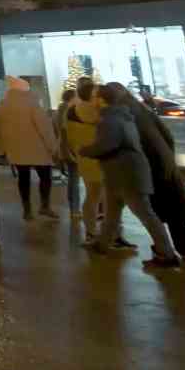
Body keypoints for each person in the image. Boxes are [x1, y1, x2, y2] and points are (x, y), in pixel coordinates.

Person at [83, 83, 180, 271]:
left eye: (96, 97)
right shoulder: (122, 115)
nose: (93, 100)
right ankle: (102, 244)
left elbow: (106, 145)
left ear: (102, 100)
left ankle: (167, 254)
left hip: (126, 175)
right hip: (119, 174)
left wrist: (86, 150)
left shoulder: (109, 120)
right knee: (112, 213)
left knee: (146, 215)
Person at [120, 85, 185, 262]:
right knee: (172, 211)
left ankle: (164, 251)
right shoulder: (143, 111)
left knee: (151, 213)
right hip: (163, 166)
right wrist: (168, 158)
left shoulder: (127, 116)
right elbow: (168, 136)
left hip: (149, 168)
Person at [62, 82, 129, 248]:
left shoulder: (71, 111)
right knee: (112, 200)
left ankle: (91, 233)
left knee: (92, 197)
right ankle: (115, 235)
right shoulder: (102, 112)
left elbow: (68, 136)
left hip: (85, 159)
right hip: (107, 159)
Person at [0, 76, 59, 221]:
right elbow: (44, 128)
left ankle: (27, 209)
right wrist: (53, 147)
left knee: (23, 178)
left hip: (15, 148)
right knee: (45, 176)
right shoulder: (33, 104)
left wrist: (0, 149)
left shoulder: (2, 105)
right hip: (38, 148)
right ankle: (45, 206)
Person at [54, 79, 85, 220]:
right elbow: (66, 131)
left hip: (65, 148)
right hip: (72, 149)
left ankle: (74, 208)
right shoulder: (70, 111)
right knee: (75, 179)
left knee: (73, 179)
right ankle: (75, 209)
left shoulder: (60, 110)